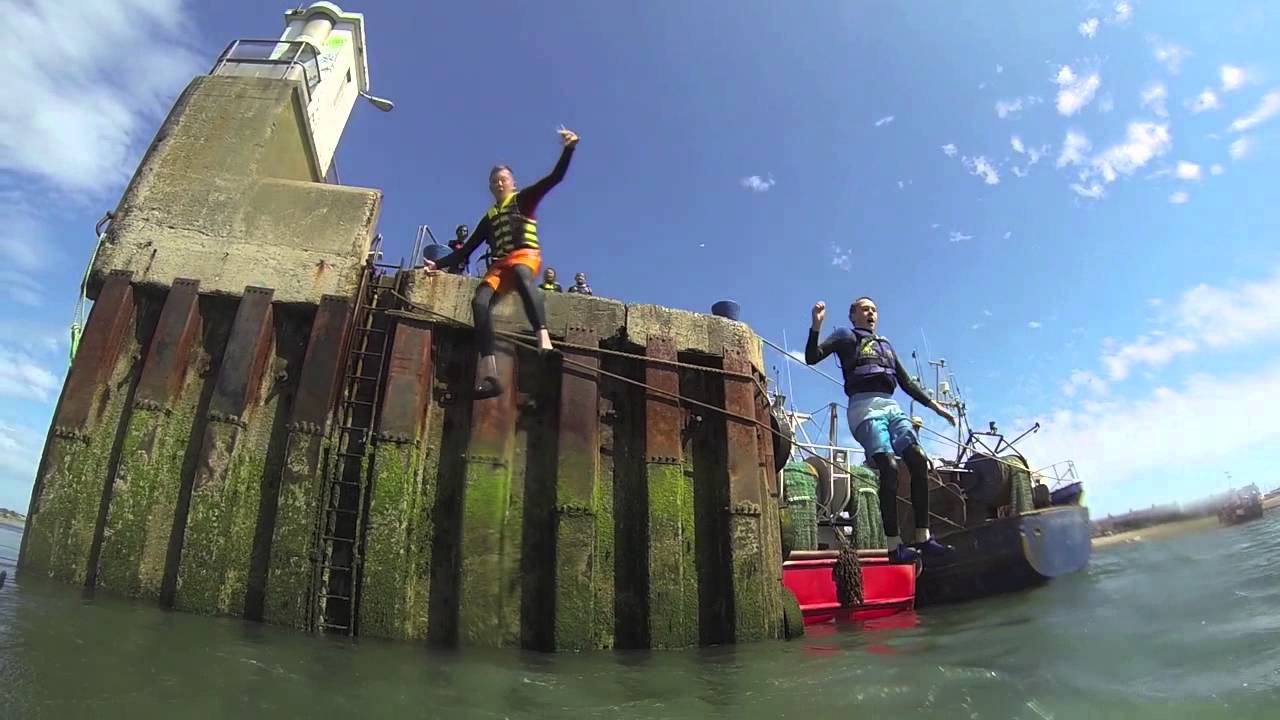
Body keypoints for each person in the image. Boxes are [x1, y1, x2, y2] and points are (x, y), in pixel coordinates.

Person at [425, 126, 579, 398]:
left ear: (513, 183)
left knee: (521, 274)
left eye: (503, 179)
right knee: (479, 302)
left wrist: (569, 148)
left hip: (524, 257)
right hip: (499, 265)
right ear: (489, 186)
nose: (499, 183)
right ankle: (490, 375)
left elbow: (555, 178)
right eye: (494, 180)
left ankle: (544, 341)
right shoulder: (489, 217)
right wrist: (437, 265)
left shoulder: (524, 200)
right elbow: (466, 251)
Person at [805, 296, 956, 563]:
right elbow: (811, 357)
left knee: (919, 461)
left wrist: (936, 407)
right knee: (889, 467)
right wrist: (816, 326)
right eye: (865, 309)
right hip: (863, 408)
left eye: (874, 309)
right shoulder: (845, 336)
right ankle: (893, 545)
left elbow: (907, 382)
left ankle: (923, 537)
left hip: (891, 407)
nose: (871, 313)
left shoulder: (885, 346)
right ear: (853, 316)